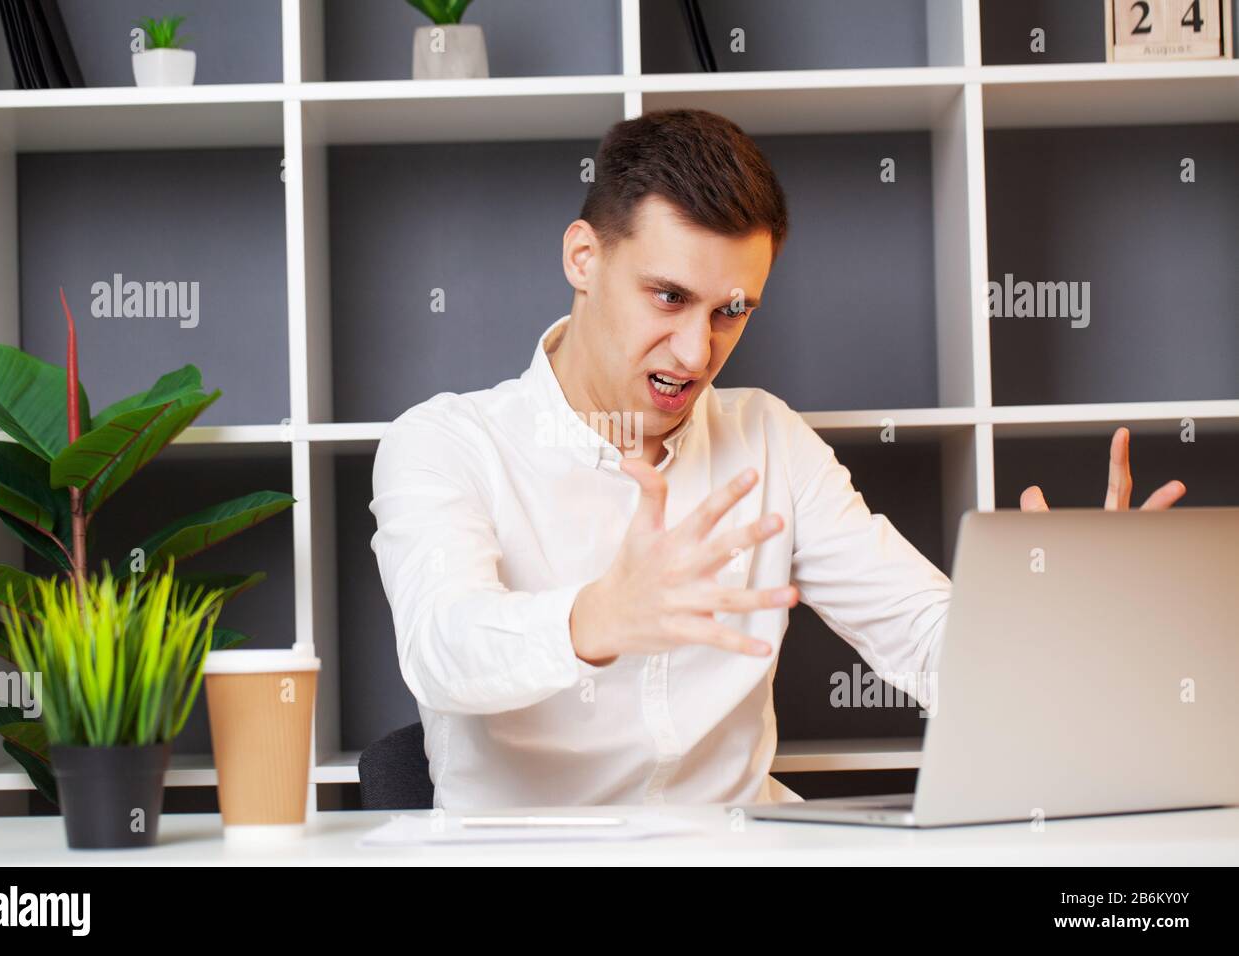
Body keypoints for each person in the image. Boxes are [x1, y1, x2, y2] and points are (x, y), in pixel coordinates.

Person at [369, 109, 1185, 810]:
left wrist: (1058, 620)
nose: (695, 351)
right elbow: (443, 651)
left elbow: (921, 635)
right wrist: (597, 618)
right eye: (669, 297)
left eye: (732, 310)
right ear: (584, 258)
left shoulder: (767, 437)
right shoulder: (444, 444)